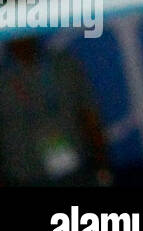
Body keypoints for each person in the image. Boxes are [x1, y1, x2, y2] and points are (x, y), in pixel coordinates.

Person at [0, 23, 111, 186]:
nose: (20, 31)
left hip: (77, 176)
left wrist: (103, 168)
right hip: (22, 179)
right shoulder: (3, 79)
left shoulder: (65, 65)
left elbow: (90, 118)